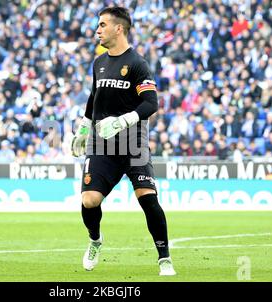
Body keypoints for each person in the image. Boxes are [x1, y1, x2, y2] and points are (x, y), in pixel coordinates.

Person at [71, 6, 176, 276]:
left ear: (119, 28)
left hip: (133, 142)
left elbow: (151, 103)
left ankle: (164, 257)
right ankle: (95, 240)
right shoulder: (99, 63)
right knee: (90, 200)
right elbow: (94, 97)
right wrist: (84, 127)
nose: (98, 30)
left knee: (147, 198)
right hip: (102, 144)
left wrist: (123, 121)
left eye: (103, 25)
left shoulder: (138, 64)